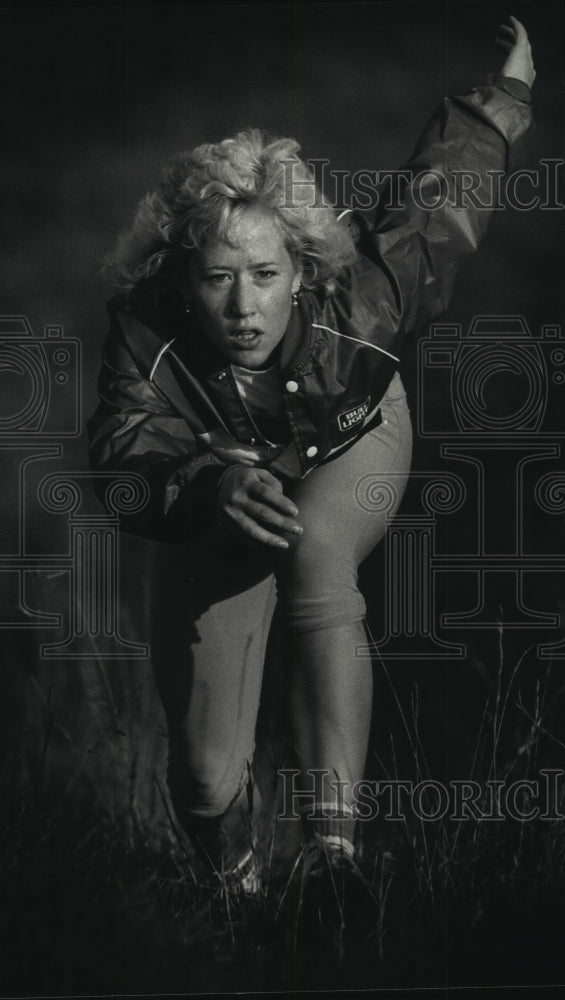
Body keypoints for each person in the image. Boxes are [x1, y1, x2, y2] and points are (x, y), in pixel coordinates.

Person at [88, 18, 535, 918]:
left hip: (352, 437)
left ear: (299, 266)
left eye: (263, 272)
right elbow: (120, 456)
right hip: (216, 489)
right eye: (217, 277)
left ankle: (335, 857)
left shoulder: (361, 299)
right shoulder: (146, 326)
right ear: (184, 272)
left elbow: (436, 201)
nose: (243, 305)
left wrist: (504, 99)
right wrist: (209, 485)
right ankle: (236, 894)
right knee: (207, 774)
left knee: (315, 552)